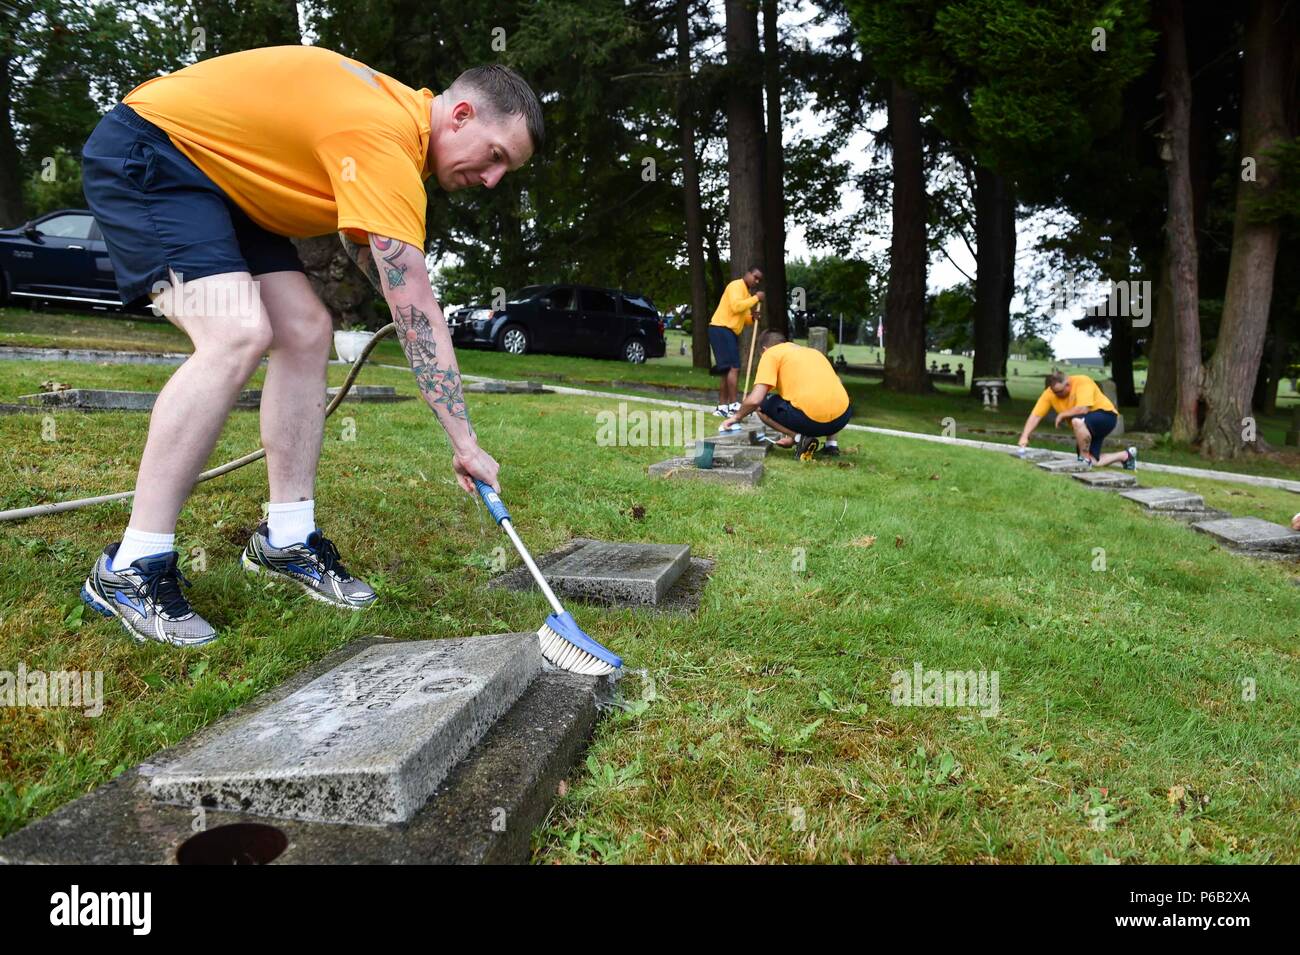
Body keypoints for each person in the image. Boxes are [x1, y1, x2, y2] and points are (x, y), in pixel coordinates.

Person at [77, 46, 542, 645]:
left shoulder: (396, 131)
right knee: (236, 333)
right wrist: (466, 443)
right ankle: (131, 567)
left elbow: (368, 250)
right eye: (495, 156)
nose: (492, 178)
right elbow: (418, 307)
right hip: (156, 153)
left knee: (305, 332)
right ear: (461, 116)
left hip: (228, 189)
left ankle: (286, 539)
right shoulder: (384, 134)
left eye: (507, 171)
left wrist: (406, 307)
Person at [722, 331, 852, 458]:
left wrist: (736, 418)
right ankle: (831, 446)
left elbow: (755, 400)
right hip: (842, 418)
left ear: (764, 349)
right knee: (829, 393)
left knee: (762, 405)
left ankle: (799, 438)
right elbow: (837, 383)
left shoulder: (771, 354)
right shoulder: (814, 353)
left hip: (813, 422)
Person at [1018, 370, 1136, 470]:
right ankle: (1126, 456)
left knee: (1077, 421)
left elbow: (1083, 409)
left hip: (1106, 416)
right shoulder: (1050, 393)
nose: (1057, 395)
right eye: (1055, 392)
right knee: (1094, 461)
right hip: (1086, 426)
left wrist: (1062, 415)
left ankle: (1084, 459)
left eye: (1060, 391)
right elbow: (1036, 415)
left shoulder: (1082, 381)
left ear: (1068, 384)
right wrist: (1025, 435)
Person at [708, 267, 763, 417]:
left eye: (759, 280)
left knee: (727, 369)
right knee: (734, 367)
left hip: (728, 331)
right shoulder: (735, 286)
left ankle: (722, 407)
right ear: (747, 274)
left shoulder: (746, 293)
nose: (756, 281)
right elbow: (736, 306)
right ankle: (733, 404)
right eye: (755, 277)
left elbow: (743, 317)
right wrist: (756, 299)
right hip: (721, 328)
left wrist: (752, 318)